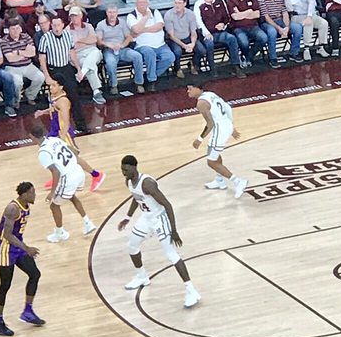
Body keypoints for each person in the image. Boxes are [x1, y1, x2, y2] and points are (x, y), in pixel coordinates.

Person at [118, 154, 201, 309]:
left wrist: (174, 230)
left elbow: (167, 205)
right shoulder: (129, 181)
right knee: (132, 246)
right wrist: (127, 217)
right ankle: (142, 277)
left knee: (171, 254)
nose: (124, 173)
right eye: (122, 170)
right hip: (146, 218)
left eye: (126, 170)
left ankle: (192, 291)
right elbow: (136, 198)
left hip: (160, 219)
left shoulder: (147, 184)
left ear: (134, 167)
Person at [0, 182, 45, 337]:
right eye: (32, 193)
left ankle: (27, 312)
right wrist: (26, 248)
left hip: (17, 246)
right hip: (5, 249)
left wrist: (23, 248)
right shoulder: (13, 208)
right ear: (24, 194)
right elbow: (7, 234)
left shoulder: (25, 206)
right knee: (5, 285)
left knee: (35, 274)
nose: (34, 195)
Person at [31, 122, 96, 243]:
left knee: (54, 205)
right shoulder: (54, 139)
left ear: (32, 137)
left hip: (68, 177)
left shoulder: (43, 152)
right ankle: (88, 223)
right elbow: (75, 152)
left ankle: (60, 233)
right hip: (78, 171)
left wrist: (52, 192)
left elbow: (56, 172)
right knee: (71, 196)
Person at [34, 81, 104, 191]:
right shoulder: (54, 97)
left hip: (63, 132)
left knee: (73, 157)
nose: (51, 88)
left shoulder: (63, 101)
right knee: (53, 156)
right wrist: (43, 112)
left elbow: (66, 121)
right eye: (50, 86)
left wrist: (62, 136)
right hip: (54, 132)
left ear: (61, 86)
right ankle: (58, 177)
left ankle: (96, 175)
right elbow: (54, 110)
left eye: (54, 85)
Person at [188, 85, 247, 197]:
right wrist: (231, 126)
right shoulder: (211, 94)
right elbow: (227, 108)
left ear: (198, 89)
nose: (188, 91)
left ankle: (238, 181)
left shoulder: (201, 103)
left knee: (211, 162)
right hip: (225, 125)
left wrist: (199, 139)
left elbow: (210, 124)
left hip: (220, 129)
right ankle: (219, 180)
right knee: (213, 153)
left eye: (190, 89)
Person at [37, 15, 87, 132]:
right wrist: (47, 76)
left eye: (58, 25)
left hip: (66, 68)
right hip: (53, 69)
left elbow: (72, 53)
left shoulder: (68, 35)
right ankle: (56, 128)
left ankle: (81, 126)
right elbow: (42, 58)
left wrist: (78, 68)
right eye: (54, 25)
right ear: (51, 26)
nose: (56, 28)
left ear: (63, 25)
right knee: (56, 101)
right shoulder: (45, 38)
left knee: (74, 97)